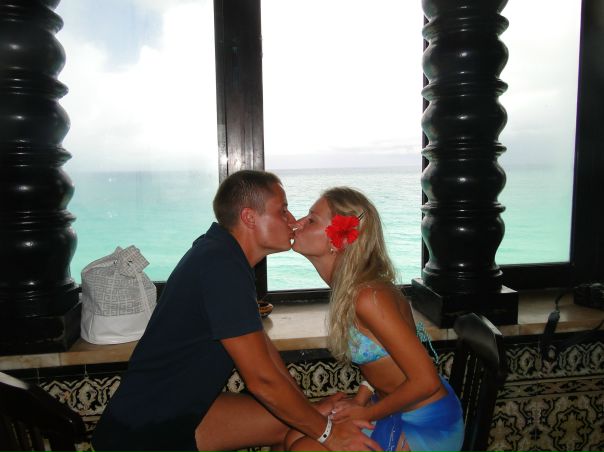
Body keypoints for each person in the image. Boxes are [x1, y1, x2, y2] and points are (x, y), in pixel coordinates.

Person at [91, 171, 381, 452]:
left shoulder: (221, 253)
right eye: (282, 211)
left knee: (296, 424)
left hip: (174, 411)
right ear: (249, 218)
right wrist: (328, 433)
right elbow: (262, 381)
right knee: (305, 427)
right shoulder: (221, 266)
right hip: (143, 431)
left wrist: (310, 411)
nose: (292, 221)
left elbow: (264, 352)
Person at [287, 187, 464, 452]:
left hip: (428, 424)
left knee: (303, 449)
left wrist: (367, 413)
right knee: (292, 437)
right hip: (391, 407)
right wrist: (360, 400)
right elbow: (384, 360)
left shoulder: (369, 297)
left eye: (311, 219)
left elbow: (427, 381)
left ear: (339, 240)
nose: (298, 222)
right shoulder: (351, 290)